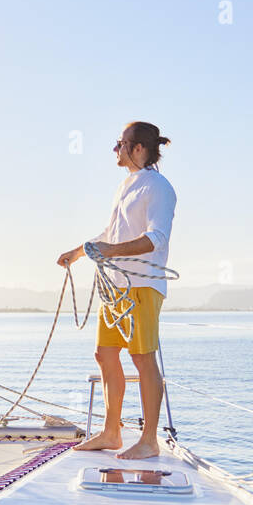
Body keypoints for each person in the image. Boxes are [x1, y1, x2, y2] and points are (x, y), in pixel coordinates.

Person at [57, 121, 177, 459]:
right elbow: (110, 233)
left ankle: (149, 440)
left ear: (138, 148)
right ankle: (111, 433)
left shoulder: (158, 188)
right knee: (105, 354)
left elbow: (158, 238)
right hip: (116, 287)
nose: (115, 149)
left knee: (142, 358)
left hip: (142, 285)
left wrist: (110, 252)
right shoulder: (126, 186)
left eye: (120, 143)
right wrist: (77, 253)